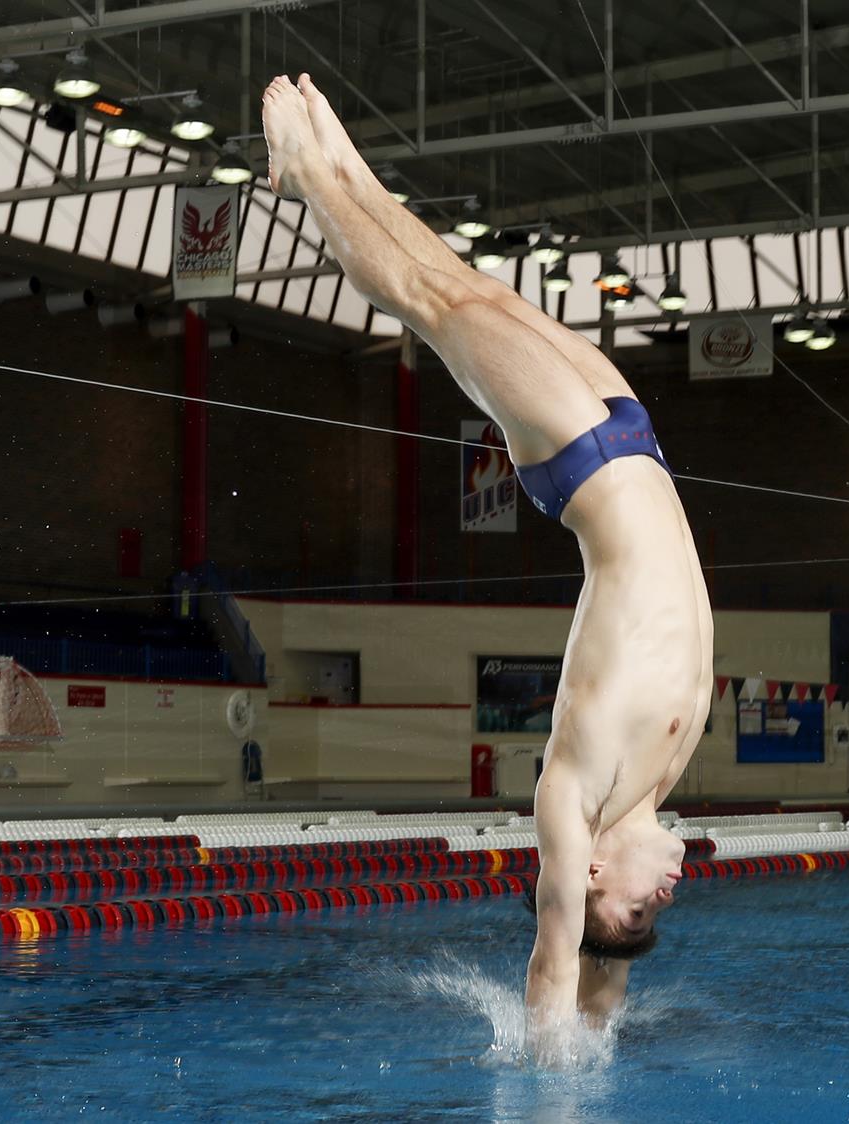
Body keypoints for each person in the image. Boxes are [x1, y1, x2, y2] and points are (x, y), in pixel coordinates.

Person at [261, 75, 714, 1044]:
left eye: (639, 910)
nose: (664, 895)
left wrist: (556, 1075)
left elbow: (557, 957)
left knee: (433, 301)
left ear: (587, 872)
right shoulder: (653, 780)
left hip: (579, 459)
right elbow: (598, 979)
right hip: (629, 437)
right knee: (471, 288)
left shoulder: (573, 793)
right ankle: (342, 163)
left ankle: (304, 174)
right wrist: (604, 1009)